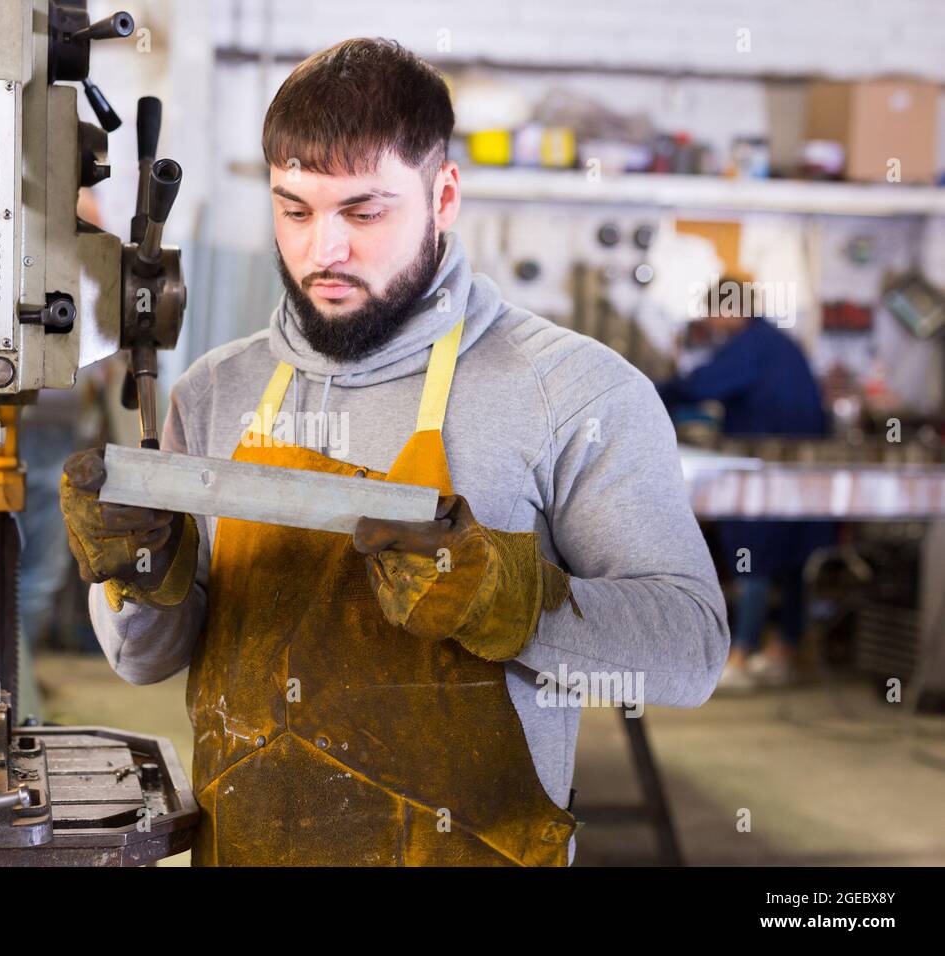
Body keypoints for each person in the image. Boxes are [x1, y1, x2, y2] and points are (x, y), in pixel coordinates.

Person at [60, 38, 728, 866]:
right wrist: (137, 573)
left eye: (364, 213)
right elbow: (144, 663)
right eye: (294, 210)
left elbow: (690, 653)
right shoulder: (214, 391)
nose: (322, 252)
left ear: (443, 195)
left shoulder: (575, 392)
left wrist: (507, 600)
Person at [657, 276, 835, 691]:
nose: (711, 323)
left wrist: (649, 391)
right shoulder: (780, 343)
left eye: (714, 314)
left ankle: (741, 653)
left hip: (764, 470)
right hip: (798, 472)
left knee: (750, 557)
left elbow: (701, 386)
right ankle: (786, 649)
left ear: (730, 310)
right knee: (793, 560)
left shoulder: (751, 346)